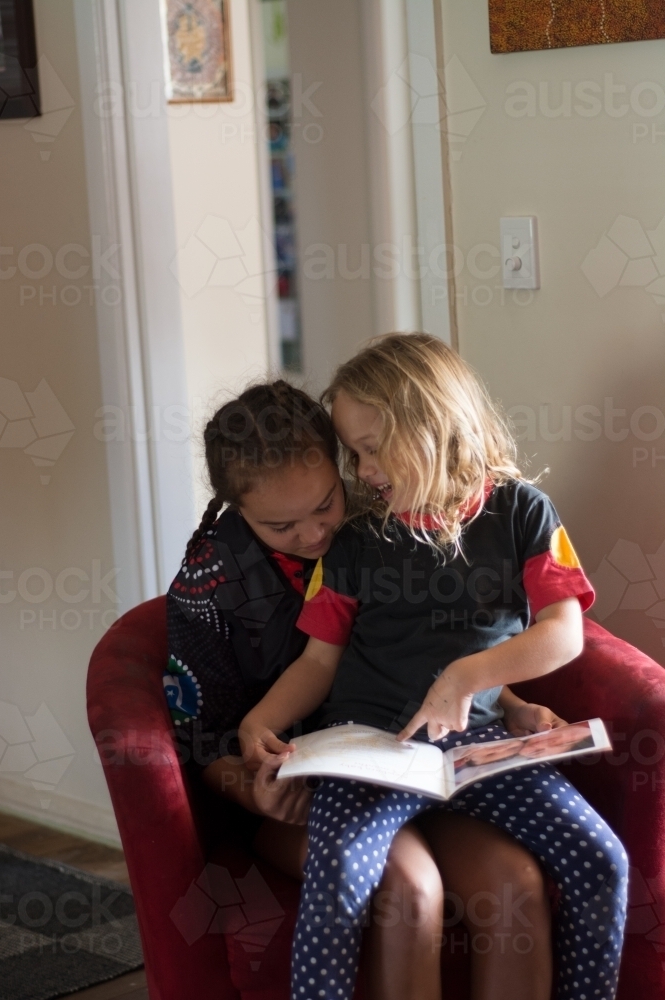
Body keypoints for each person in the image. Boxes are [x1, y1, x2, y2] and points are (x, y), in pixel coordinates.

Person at [239, 336, 629, 1000]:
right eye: (353, 452)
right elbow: (318, 661)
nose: (361, 471)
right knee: (342, 876)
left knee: (601, 860)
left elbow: (562, 634)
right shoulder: (355, 542)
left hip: (476, 751)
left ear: (428, 423)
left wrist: (465, 679)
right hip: (372, 748)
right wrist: (259, 722)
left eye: (369, 448)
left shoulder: (521, 513)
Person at [167, 379, 557, 1000]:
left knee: (514, 882)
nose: (314, 534)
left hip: (420, 761)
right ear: (236, 509)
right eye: (281, 524)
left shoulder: (390, 518)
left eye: (326, 504)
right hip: (303, 792)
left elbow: (445, 645)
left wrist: (507, 703)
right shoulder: (210, 583)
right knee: (410, 891)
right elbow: (198, 734)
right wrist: (253, 792)